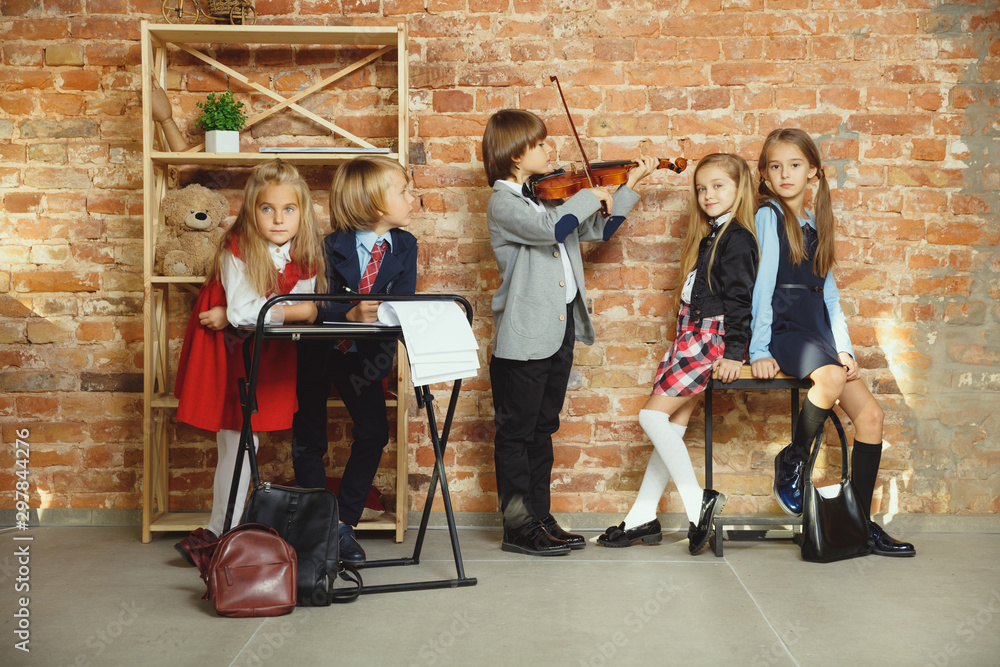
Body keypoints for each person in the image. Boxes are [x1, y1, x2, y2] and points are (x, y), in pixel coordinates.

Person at [482, 108, 657, 556]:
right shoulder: (504, 202)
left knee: (542, 429)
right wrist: (588, 193)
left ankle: (539, 516)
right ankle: (517, 525)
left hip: (557, 331)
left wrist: (626, 189)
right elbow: (551, 230)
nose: (550, 151)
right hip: (522, 336)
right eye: (541, 144)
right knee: (517, 433)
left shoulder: (545, 198)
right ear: (516, 153)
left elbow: (592, 231)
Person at [749, 128, 915, 556]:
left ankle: (859, 523)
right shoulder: (769, 216)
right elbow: (762, 287)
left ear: (814, 174)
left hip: (818, 329)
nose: (785, 174)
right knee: (828, 378)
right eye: (775, 166)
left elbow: (831, 295)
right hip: (786, 327)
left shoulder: (816, 223)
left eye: (795, 165)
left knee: (872, 417)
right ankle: (795, 459)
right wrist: (759, 349)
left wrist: (845, 348)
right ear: (765, 177)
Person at [596, 153, 760, 554]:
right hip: (690, 335)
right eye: (702, 188)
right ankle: (641, 519)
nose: (708, 195)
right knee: (671, 428)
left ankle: (695, 504)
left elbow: (740, 301)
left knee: (651, 416)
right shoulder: (710, 236)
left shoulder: (736, 238)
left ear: (740, 190)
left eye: (718, 186)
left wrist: (735, 353)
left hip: (709, 339)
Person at [173, 160, 325, 565]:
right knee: (239, 441)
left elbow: (306, 308)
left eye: (288, 209)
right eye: (267, 209)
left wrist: (282, 311)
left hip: (267, 349)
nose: (278, 219)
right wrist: (289, 312)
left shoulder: (305, 253)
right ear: (251, 210)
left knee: (243, 441)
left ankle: (220, 531)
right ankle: (220, 533)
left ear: (302, 213)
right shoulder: (237, 245)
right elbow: (243, 312)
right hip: (229, 350)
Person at [292, 156, 418, 565]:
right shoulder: (328, 246)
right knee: (309, 437)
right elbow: (307, 303)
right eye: (403, 191)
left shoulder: (405, 245)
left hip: (365, 359)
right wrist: (345, 314)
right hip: (319, 350)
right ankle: (319, 527)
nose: (412, 198)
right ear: (376, 203)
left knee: (373, 432)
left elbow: (403, 303)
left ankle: (342, 522)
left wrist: (379, 316)